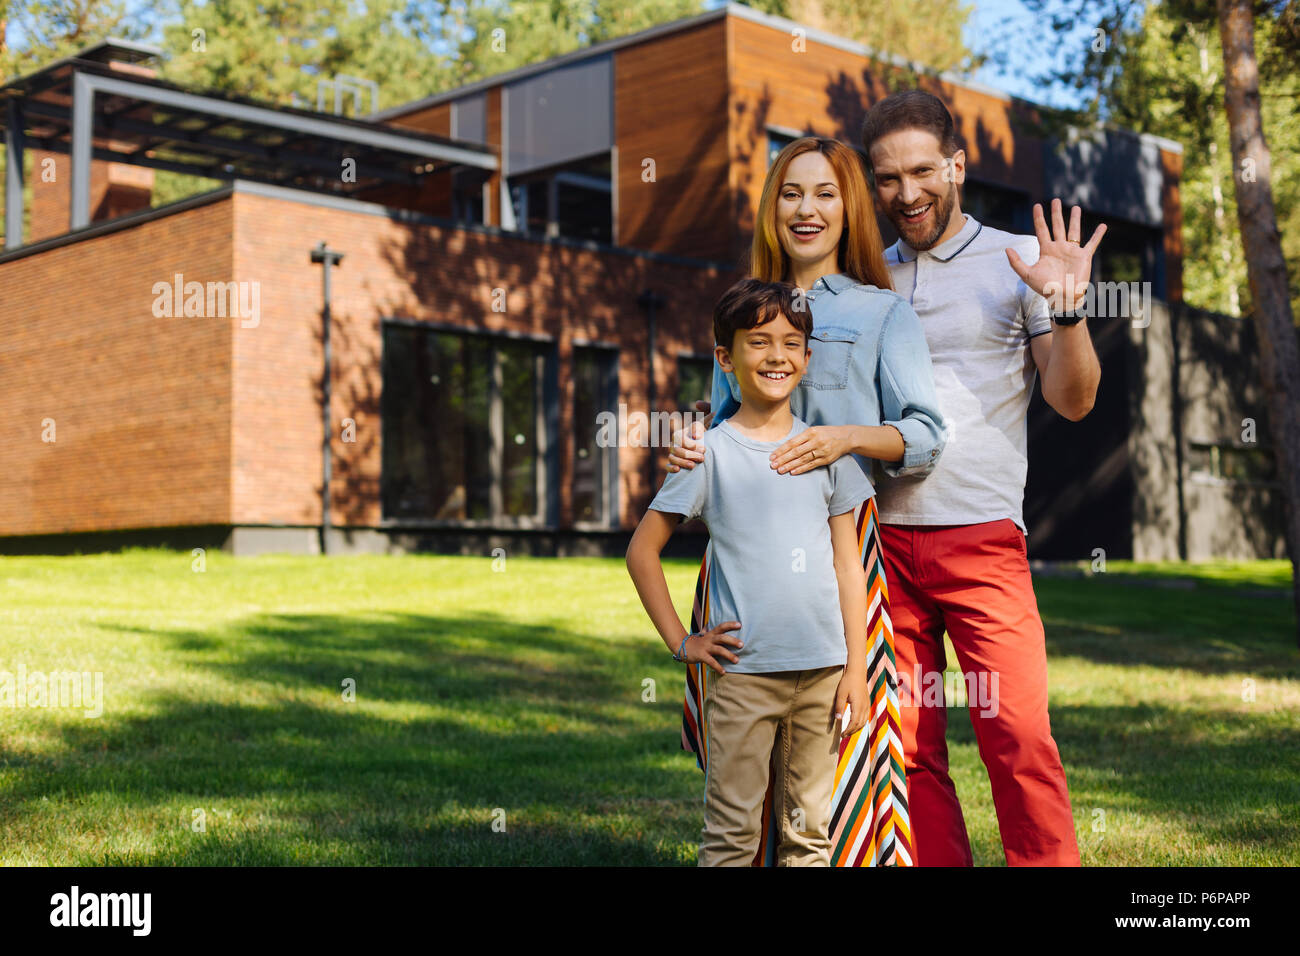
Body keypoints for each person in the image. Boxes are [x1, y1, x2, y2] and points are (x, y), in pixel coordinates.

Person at [666, 135, 946, 866]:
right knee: (736, 766)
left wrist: (845, 438)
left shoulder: (884, 312)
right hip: (738, 569)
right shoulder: (744, 308)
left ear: (849, 208)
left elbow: (925, 434)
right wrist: (689, 442)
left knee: (844, 767)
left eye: (825, 193)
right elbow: (724, 418)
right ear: (772, 208)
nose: (806, 209)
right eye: (791, 192)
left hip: (840, 558)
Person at [850, 90, 1105, 866]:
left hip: (983, 539)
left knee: (1018, 736)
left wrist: (1065, 311)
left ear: (956, 166)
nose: (907, 193)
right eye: (888, 178)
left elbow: (1074, 399)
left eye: (924, 170)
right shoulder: (865, 274)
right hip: (881, 545)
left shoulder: (1011, 261)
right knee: (911, 748)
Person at [626, 278, 876, 866]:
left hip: (823, 674)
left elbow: (848, 564)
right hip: (743, 677)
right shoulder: (708, 454)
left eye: (791, 343)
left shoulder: (823, 451)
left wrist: (858, 669)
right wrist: (681, 642)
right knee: (733, 836)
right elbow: (642, 551)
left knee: (810, 837)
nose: (776, 356)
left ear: (807, 358)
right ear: (726, 358)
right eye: (758, 342)